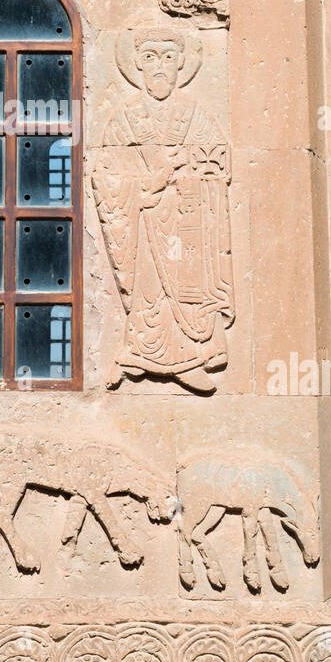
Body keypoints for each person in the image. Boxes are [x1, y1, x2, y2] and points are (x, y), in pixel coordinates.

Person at [93, 24, 234, 393]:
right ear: (137, 64)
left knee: (190, 288)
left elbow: (219, 164)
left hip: (188, 221)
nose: (160, 67)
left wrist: (195, 175)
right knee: (149, 293)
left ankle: (193, 357)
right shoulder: (122, 122)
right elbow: (106, 180)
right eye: (151, 58)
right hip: (144, 221)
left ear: (181, 65)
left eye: (169, 58)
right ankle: (140, 357)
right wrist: (151, 182)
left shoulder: (196, 118)